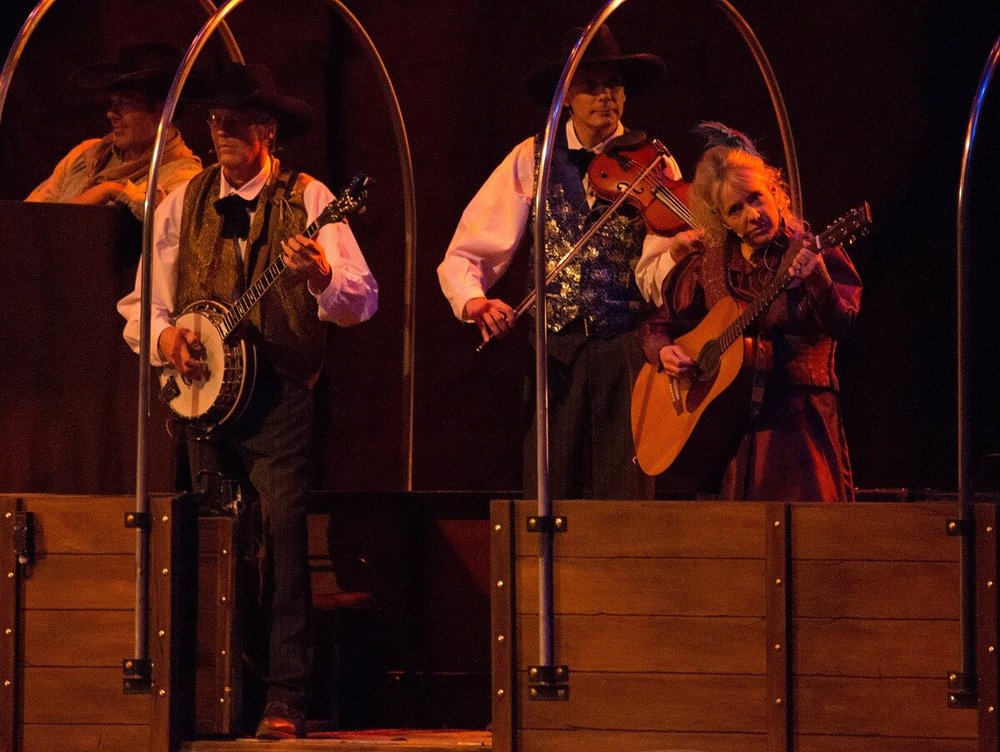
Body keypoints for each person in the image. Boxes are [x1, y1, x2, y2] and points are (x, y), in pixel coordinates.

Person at [117, 61, 378, 738]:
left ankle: (285, 697)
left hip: (278, 394)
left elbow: (361, 300)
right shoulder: (183, 200)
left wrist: (321, 273)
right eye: (214, 121)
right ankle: (215, 691)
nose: (223, 132)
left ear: (266, 129)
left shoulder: (312, 197)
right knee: (212, 539)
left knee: (283, 538)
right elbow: (142, 302)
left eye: (236, 121)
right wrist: (168, 336)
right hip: (204, 398)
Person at [438, 25, 683, 500]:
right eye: (591, 86)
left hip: (630, 349)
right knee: (554, 497)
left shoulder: (656, 163)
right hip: (556, 352)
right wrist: (475, 302)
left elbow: (664, 262)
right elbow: (470, 248)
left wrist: (682, 249)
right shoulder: (534, 156)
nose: (605, 97)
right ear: (568, 95)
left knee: (626, 494)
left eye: (613, 85)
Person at [638, 123, 862, 501]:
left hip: (799, 430)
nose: (752, 214)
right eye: (735, 210)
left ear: (775, 192)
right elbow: (656, 325)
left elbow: (844, 322)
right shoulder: (709, 266)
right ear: (722, 219)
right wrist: (663, 353)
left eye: (756, 199)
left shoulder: (808, 253)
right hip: (731, 436)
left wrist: (820, 280)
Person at [26, 42, 202, 220]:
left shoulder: (184, 180)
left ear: (161, 112)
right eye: (112, 102)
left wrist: (115, 191)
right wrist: (106, 190)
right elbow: (27, 220)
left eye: (125, 103)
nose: (111, 113)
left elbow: (165, 223)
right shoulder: (87, 155)